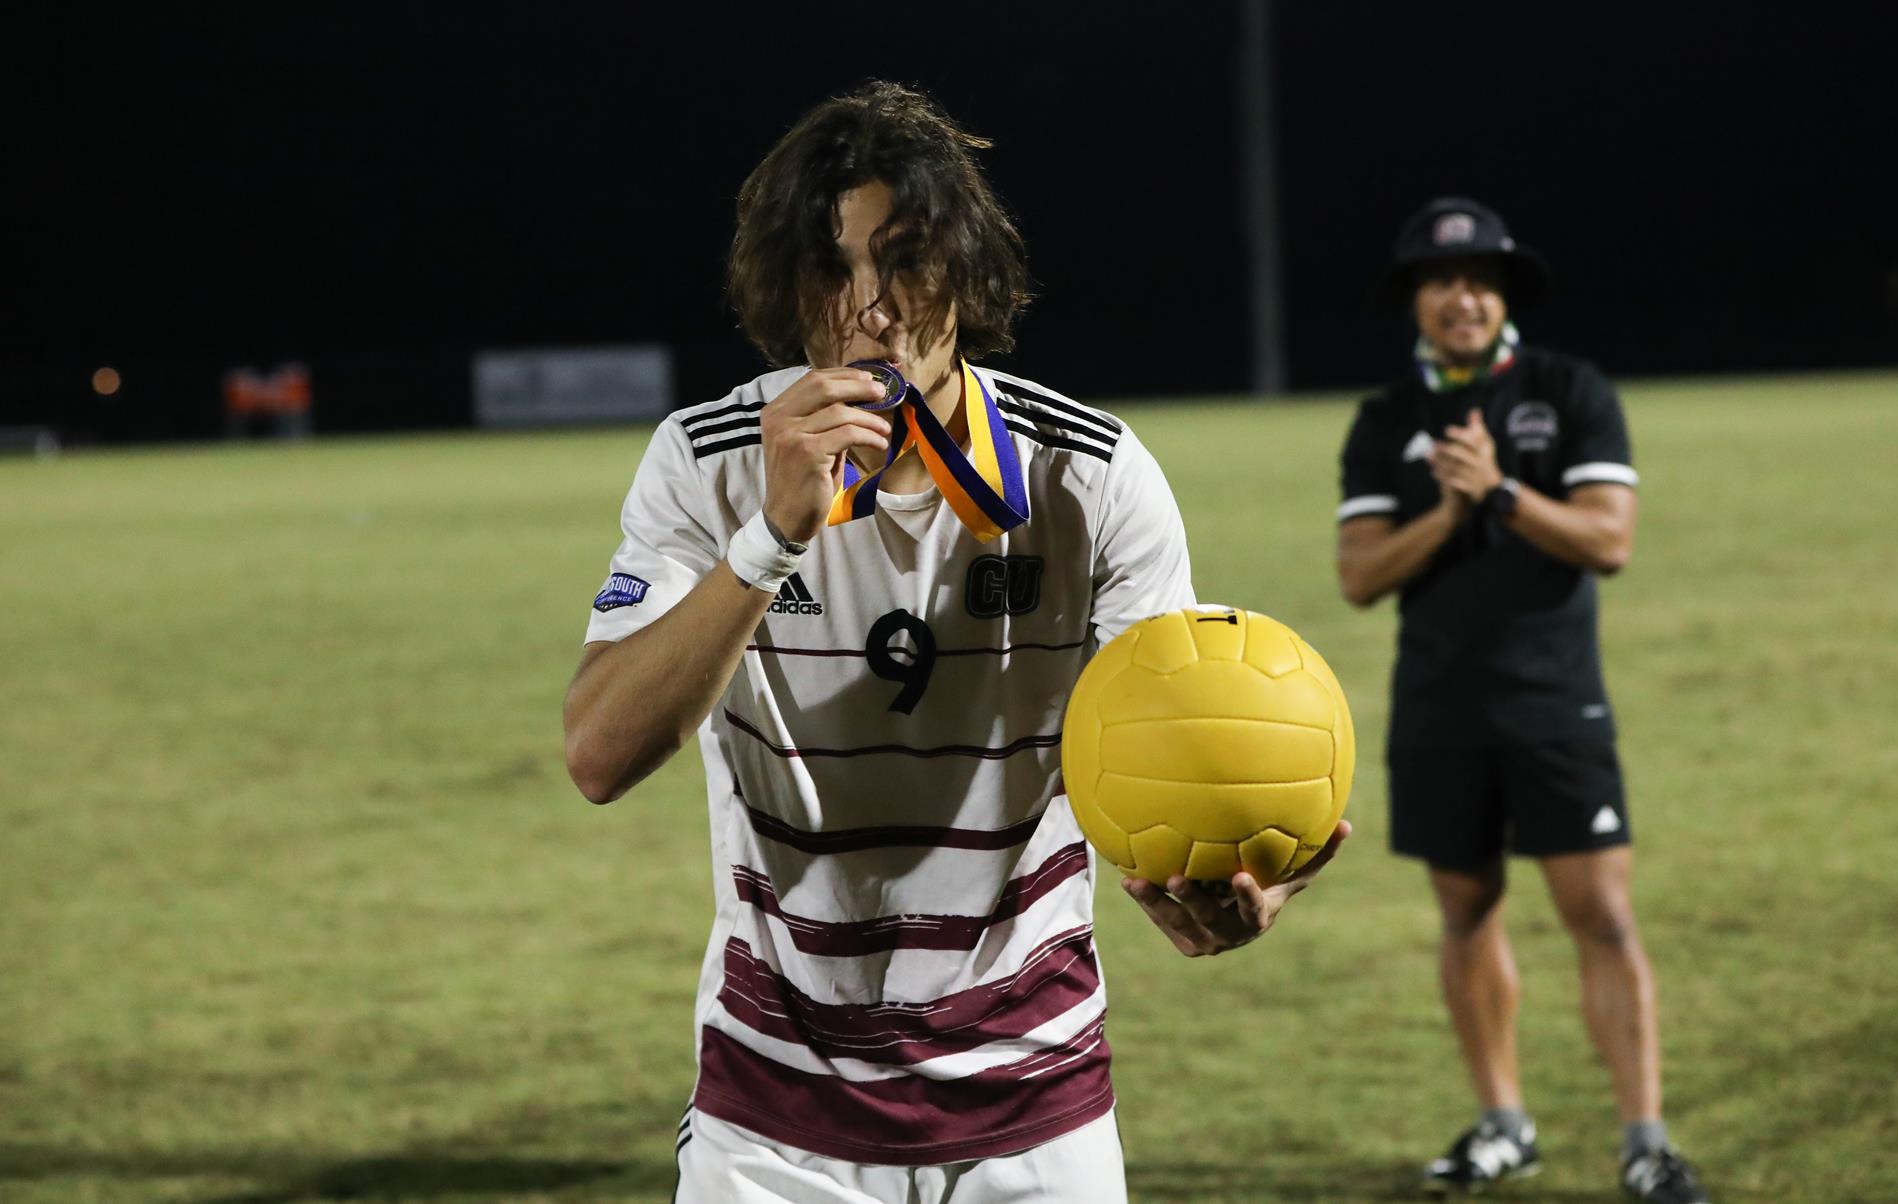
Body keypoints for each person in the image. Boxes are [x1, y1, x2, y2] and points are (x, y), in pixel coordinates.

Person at [563, 81, 1350, 1204]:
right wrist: (771, 535)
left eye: (906, 260)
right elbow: (597, 753)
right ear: (786, 287)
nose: (872, 308)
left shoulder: (1089, 478)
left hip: (1032, 1113)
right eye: (834, 270)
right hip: (774, 1121)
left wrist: (1206, 881)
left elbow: (1145, 765)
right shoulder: (708, 463)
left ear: (966, 271)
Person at [1335, 197, 1709, 1204]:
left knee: (1603, 916)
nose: (1461, 297)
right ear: (1413, 298)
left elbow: (1609, 540)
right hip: (1439, 707)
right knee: (1463, 911)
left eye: (1479, 280)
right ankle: (1502, 1122)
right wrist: (1448, 510)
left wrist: (1498, 492)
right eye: (1440, 281)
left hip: (1554, 704)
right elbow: (1359, 575)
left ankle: (1643, 1140)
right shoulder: (1383, 421)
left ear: (1501, 295)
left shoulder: (1569, 391)